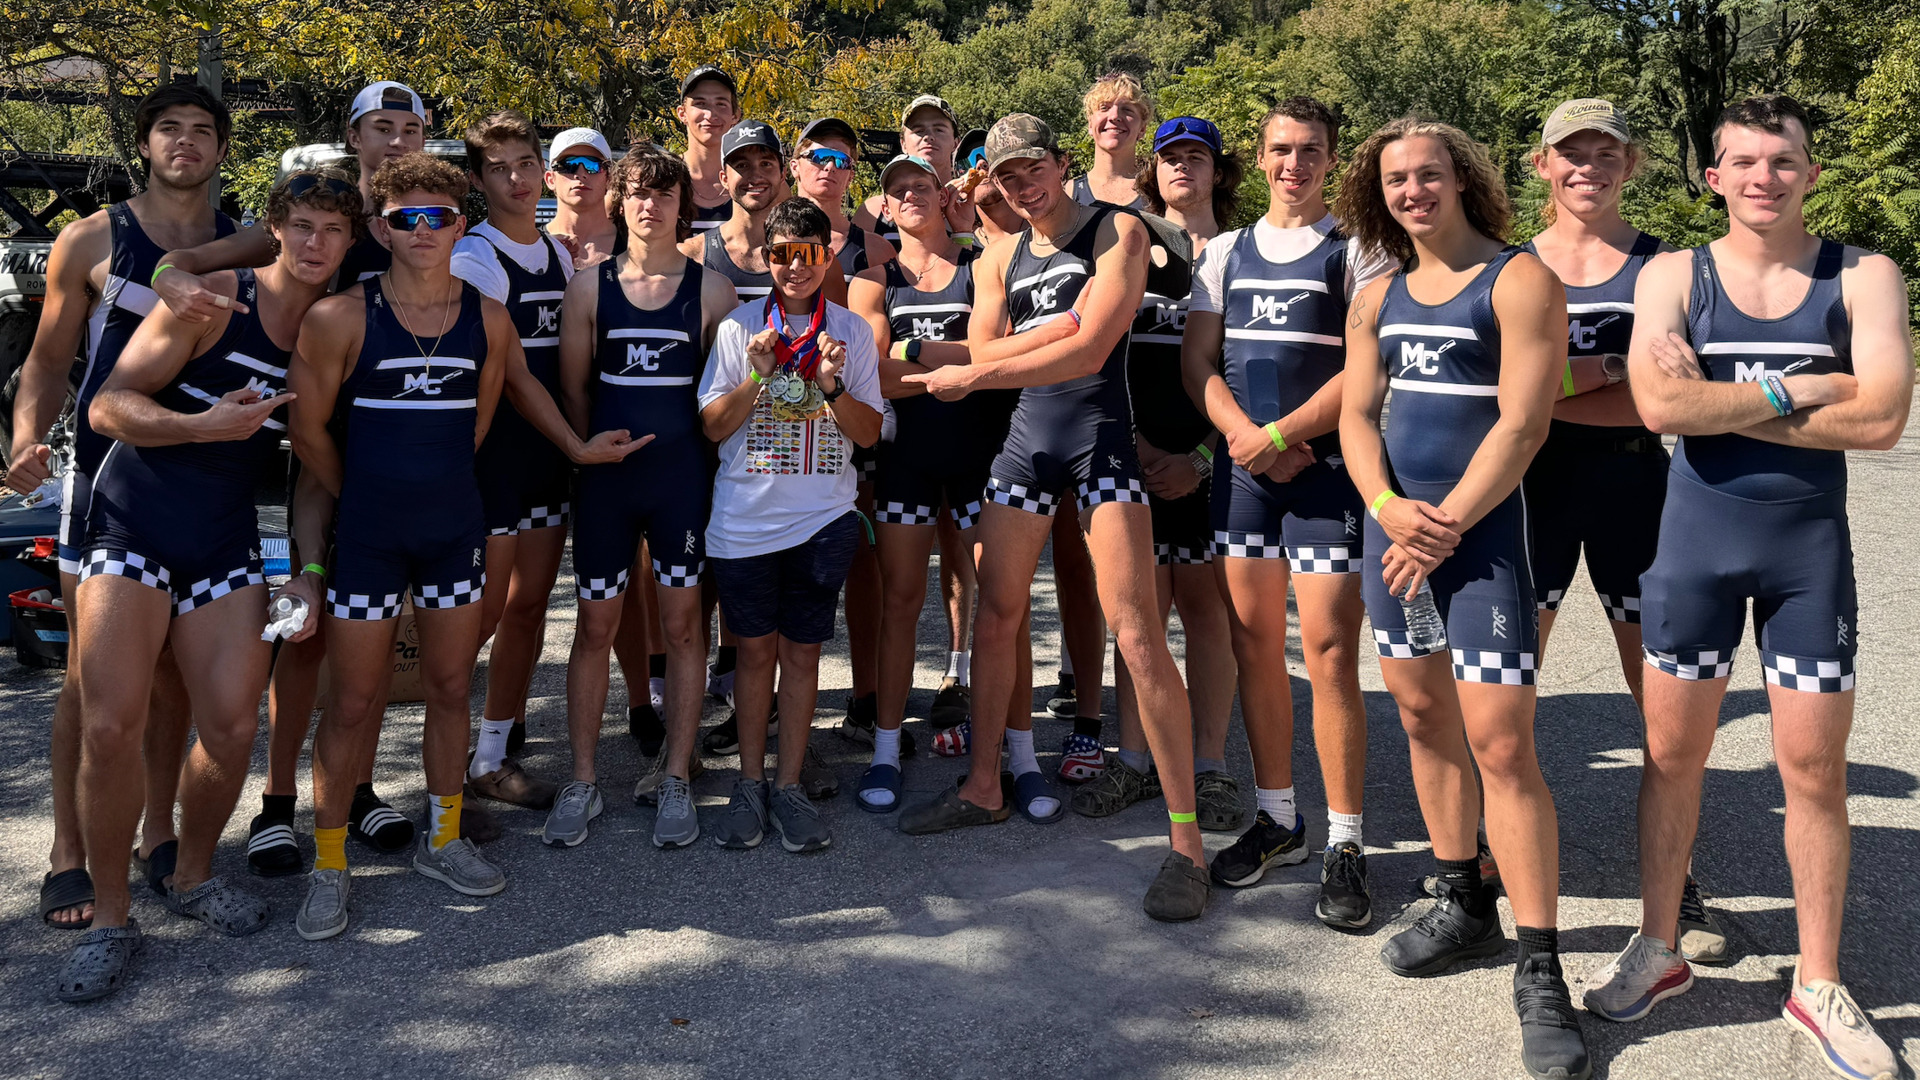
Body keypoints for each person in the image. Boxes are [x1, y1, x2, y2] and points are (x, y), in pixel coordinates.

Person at [1583, 94, 1912, 1080]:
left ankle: (1817, 981)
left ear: (1810, 171)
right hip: (1695, 553)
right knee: (1671, 756)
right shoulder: (1675, 274)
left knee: (1813, 771)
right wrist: (1802, 385)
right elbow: (1654, 402)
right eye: (1744, 162)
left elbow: (1886, 417)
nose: (1765, 176)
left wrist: (1719, 403)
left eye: (1784, 160)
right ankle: (1659, 945)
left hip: (1808, 558)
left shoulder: (1863, 276)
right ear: (1713, 177)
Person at [48, 170, 356, 1002]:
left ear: (350, 241)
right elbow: (109, 405)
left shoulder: (332, 326)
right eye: (302, 226)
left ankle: (187, 876)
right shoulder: (219, 296)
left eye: (333, 230)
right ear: (275, 229)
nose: (316, 244)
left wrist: (310, 571)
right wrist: (202, 425)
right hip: (135, 519)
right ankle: (111, 919)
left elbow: (318, 473)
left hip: (227, 537)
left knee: (226, 728)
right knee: (112, 724)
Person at [897, 114, 1208, 923]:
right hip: (1027, 445)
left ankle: (1187, 848)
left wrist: (1012, 352)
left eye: (1032, 167)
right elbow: (979, 349)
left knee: (1137, 635)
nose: (1021, 184)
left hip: (1101, 443)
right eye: (1005, 176)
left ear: (1062, 164)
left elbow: (1090, 352)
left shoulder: (1119, 231)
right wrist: (1003, 346)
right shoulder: (1001, 255)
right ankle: (984, 787)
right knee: (995, 618)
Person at [1334, 117, 1586, 1080]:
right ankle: (1461, 898)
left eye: (1429, 175)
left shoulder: (1519, 279)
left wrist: (1443, 523)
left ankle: (1541, 964)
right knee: (1422, 717)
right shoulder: (1379, 291)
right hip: (1395, 535)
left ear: (1464, 179)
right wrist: (1392, 509)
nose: (1413, 192)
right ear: (1379, 192)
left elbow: (1523, 425)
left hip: (1483, 543)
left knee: (1502, 745)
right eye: (1396, 179)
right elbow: (1358, 416)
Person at [152, 80, 433, 874]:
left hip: (374, 452)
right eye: (384, 127)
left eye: (413, 129)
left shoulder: (414, 222)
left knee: (370, 639)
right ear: (354, 135)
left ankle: (355, 790)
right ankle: (278, 803)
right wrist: (174, 280)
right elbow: (188, 262)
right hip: (292, 446)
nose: (398, 141)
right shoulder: (319, 214)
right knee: (302, 635)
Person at [5, 85, 234, 932]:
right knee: (90, 680)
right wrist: (26, 440)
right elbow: (47, 358)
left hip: (203, 482)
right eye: (169, 129)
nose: (185, 143)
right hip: (104, 481)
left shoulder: (235, 242)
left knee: (174, 670)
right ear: (145, 144)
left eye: (202, 132)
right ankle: (68, 850)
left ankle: (158, 831)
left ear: (219, 150)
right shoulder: (93, 237)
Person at [284, 153, 515, 940]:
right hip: (371, 542)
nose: (423, 231)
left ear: (461, 225)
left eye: (439, 217)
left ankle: (444, 838)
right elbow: (306, 430)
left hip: (453, 534)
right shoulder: (341, 317)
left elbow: (477, 427)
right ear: (380, 228)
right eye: (406, 218)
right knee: (353, 702)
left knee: (452, 689)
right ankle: (329, 861)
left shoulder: (487, 317)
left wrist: (429, 487)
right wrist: (365, 492)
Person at [1518, 98, 1727, 962]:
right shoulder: (1512, 264)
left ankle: (1675, 876)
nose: (1588, 169)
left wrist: (1564, 377)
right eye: (1572, 154)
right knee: (1505, 688)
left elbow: (1673, 394)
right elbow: (1505, 392)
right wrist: (1614, 363)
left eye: (1606, 154)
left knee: (1662, 704)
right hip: (1531, 486)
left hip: (1639, 486)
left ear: (1631, 165)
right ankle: (1496, 844)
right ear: (1543, 166)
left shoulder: (1667, 268)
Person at [1179, 99, 1390, 930]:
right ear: (1258, 159)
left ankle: (1345, 839)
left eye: (1309, 151)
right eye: (1279, 150)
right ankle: (1279, 818)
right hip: (1247, 476)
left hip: (1328, 471)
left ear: (1331, 160)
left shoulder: (1359, 249)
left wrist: (1283, 434)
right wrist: (1244, 437)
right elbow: (1200, 359)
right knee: (1254, 646)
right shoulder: (1226, 250)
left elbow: (1366, 366)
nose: (1293, 164)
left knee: (1332, 655)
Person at [543, 146, 736, 849]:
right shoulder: (589, 289)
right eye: (637, 194)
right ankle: (585, 779)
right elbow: (574, 391)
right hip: (607, 482)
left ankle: (677, 774)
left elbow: (719, 400)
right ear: (619, 203)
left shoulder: (712, 292)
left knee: (685, 629)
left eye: (663, 193)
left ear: (683, 203)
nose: (650, 205)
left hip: (682, 482)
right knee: (595, 627)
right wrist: (588, 450)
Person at [454, 110, 640, 813]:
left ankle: (491, 758)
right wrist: (574, 443)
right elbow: (513, 376)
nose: (514, 178)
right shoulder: (473, 256)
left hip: (547, 457)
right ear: (478, 180)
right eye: (497, 167)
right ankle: (422, 778)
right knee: (475, 623)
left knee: (529, 608)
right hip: (494, 454)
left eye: (524, 163)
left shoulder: (559, 258)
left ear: (542, 169)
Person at [697, 197, 884, 853]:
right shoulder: (738, 330)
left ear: (826, 255)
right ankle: (750, 784)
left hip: (824, 519)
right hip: (746, 520)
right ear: (765, 258)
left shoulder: (852, 334)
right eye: (781, 255)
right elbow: (713, 425)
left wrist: (833, 386)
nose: (795, 267)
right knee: (753, 656)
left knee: (803, 655)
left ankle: (792, 784)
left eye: (808, 253)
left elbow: (869, 437)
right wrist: (758, 373)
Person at [1076, 116, 1239, 836]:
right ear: (1154, 168)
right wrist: (1137, 445)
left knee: (1206, 613)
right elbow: (1100, 352)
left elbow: (1247, 370)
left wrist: (1203, 454)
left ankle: (1207, 766)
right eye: (1169, 157)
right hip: (1132, 452)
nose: (1182, 168)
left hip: (1214, 455)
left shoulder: (1242, 250)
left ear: (1218, 171)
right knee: (1135, 615)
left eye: (1196, 157)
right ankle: (1135, 759)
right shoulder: (1129, 240)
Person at [846, 153, 987, 810]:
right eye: (897, 188)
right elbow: (870, 372)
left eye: (921, 185)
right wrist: (953, 368)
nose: (910, 194)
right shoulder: (873, 281)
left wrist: (913, 356)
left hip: (975, 456)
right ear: (885, 204)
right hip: (905, 457)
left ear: (942, 194)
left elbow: (996, 355)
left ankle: (1005, 753)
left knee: (1000, 601)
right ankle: (883, 749)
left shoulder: (979, 270)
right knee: (900, 602)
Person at [1069, 73, 1152, 210]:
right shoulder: (1068, 194)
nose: (1114, 116)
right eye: (1104, 108)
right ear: (1090, 124)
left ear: (1142, 129)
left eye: (1127, 109)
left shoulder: (1159, 191)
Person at [677, 66, 742, 233]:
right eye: (700, 103)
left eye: (721, 104)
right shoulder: (662, 177)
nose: (710, 114)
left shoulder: (756, 180)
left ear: (735, 115)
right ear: (682, 113)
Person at [545, 127, 619, 268]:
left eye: (592, 165)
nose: (580, 173)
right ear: (550, 179)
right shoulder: (529, 246)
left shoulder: (636, 246)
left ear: (609, 178)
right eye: (568, 165)